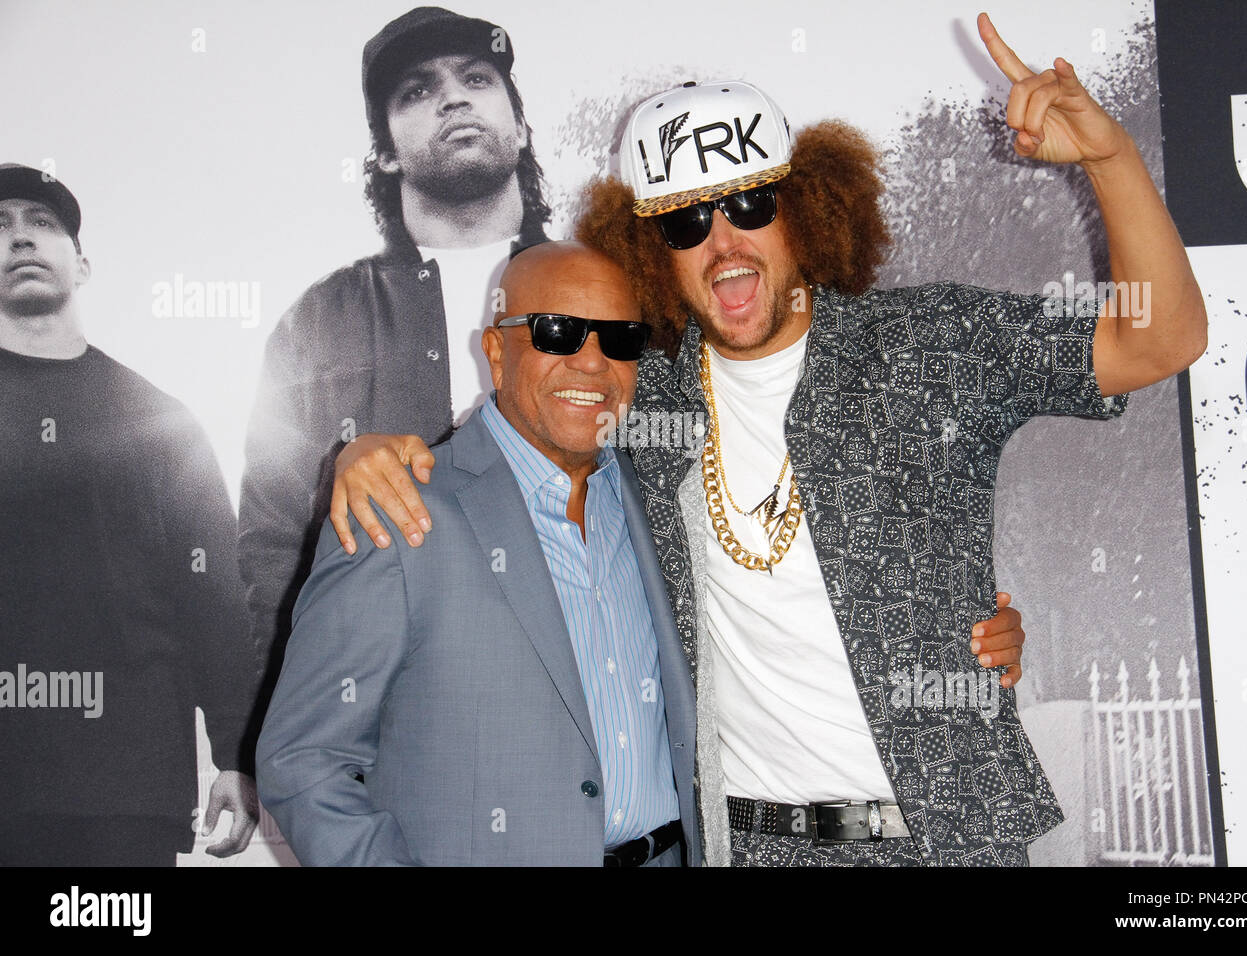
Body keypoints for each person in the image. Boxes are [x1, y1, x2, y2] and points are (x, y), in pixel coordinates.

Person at [333, 15, 1181, 866]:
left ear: (805, 207)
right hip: (750, 846)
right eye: (682, 223)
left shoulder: (932, 346)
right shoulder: (639, 390)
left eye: (749, 203)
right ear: (651, 250)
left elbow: (1161, 339)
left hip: (949, 842)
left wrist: (1112, 158)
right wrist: (371, 454)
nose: (722, 241)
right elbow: (518, 439)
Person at [256, 242, 698, 866]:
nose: (593, 362)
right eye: (559, 332)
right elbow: (302, 759)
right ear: (495, 351)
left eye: (620, 339)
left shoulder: (654, 492)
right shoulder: (400, 505)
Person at [237, 6, 552, 726]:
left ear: (521, 126)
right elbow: (270, 546)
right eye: (415, 90)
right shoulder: (318, 323)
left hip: (593, 724)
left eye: (477, 77)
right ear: (384, 153)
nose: (453, 97)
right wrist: (270, 734)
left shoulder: (615, 291)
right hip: (396, 732)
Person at [0, 163, 259, 865]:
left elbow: (214, 596)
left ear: (81, 264)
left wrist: (237, 752)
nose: (20, 239)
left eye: (41, 223)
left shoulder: (159, 420)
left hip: (127, 795)